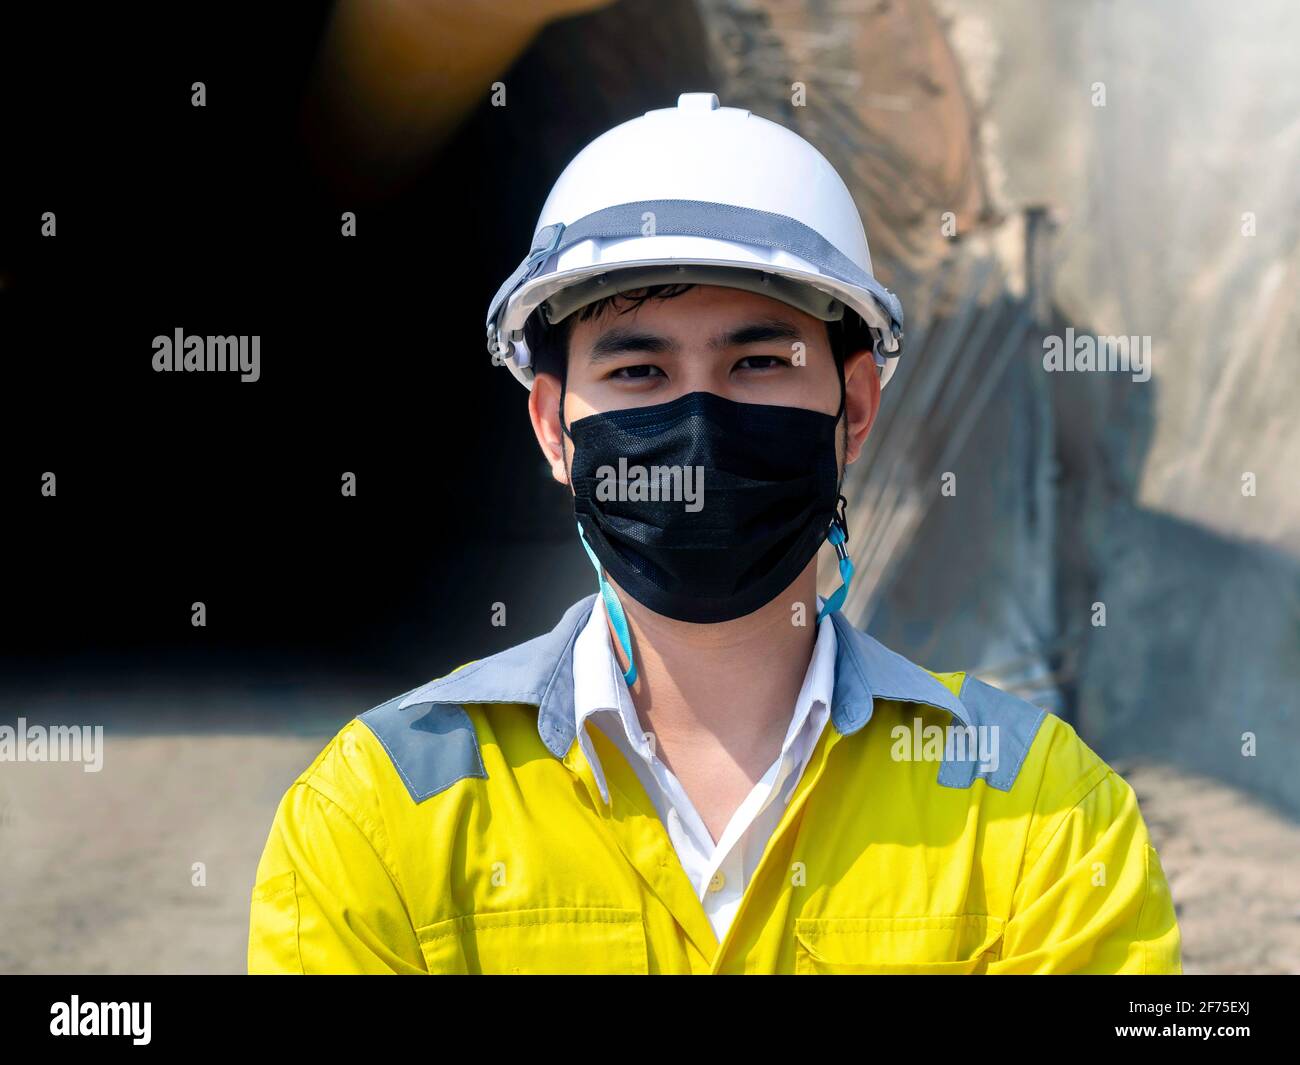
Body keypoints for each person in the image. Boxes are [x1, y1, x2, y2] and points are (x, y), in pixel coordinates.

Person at [248, 94, 1182, 974]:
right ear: (551, 427)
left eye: (759, 361)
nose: (699, 425)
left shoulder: (1041, 812)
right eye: (640, 373)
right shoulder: (375, 813)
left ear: (853, 409)